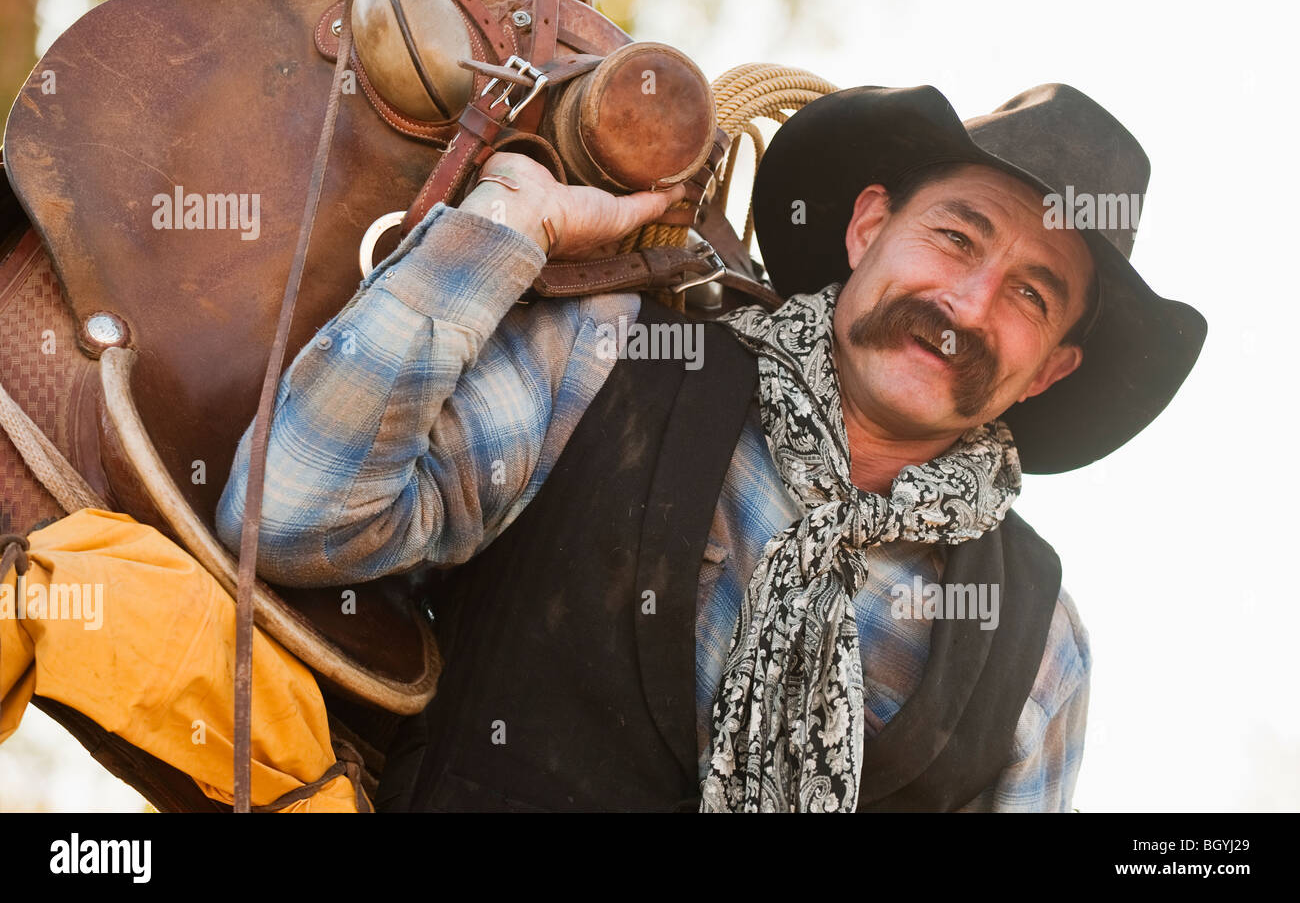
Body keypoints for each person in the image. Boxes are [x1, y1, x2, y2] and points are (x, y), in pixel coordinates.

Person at [215, 82, 1206, 812]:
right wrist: (507, 225)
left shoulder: (1040, 650)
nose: (967, 304)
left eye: (1029, 292)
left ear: (1048, 370)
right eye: (956, 235)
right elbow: (292, 516)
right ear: (868, 227)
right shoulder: (612, 362)